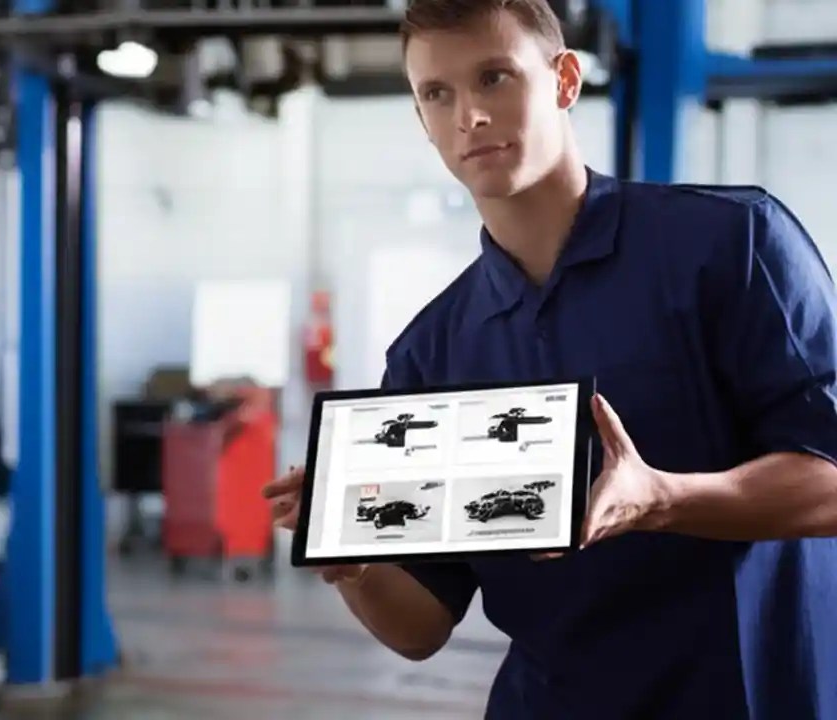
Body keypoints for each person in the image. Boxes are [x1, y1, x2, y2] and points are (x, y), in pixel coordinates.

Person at [264, 1, 837, 718]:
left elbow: (830, 481)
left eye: (495, 77)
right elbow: (421, 625)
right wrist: (346, 558)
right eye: (436, 94)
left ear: (565, 79)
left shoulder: (731, 245)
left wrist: (665, 502)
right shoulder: (430, 349)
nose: (468, 115)